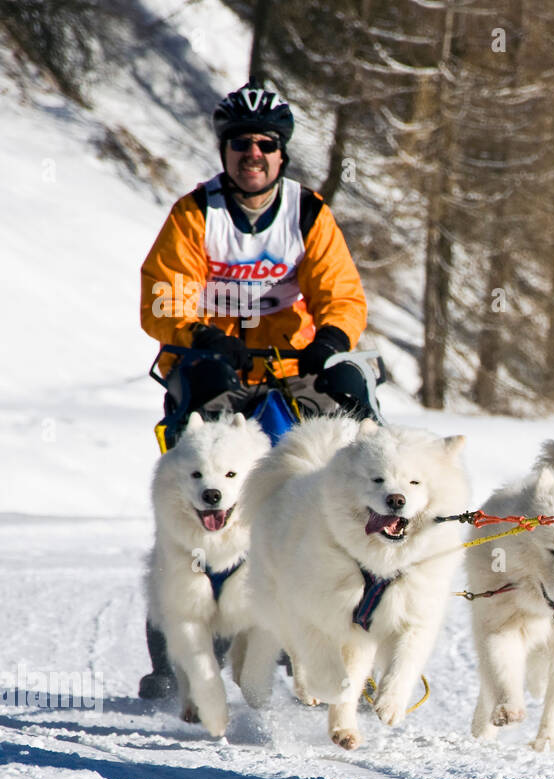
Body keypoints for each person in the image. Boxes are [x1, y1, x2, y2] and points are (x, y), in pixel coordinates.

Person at [137, 77, 375, 698]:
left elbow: (342, 294)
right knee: (205, 480)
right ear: (225, 150)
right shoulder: (196, 214)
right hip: (217, 364)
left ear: (281, 152)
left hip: (294, 367)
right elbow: (162, 292)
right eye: (241, 143)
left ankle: (360, 609)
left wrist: (330, 340)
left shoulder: (308, 213)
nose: (253, 155)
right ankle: (181, 654)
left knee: (353, 405)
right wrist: (197, 334)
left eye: (266, 144)